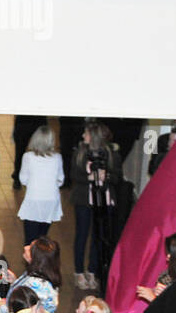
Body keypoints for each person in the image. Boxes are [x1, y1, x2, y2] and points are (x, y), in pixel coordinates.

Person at [71, 123, 122, 290]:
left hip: (105, 200)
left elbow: (117, 177)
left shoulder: (111, 153)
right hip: (84, 200)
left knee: (98, 236)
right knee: (82, 235)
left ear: (94, 135)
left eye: (86, 132)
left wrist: (105, 175)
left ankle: (92, 270)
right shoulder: (79, 153)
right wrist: (90, 178)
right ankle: (79, 271)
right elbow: (74, 175)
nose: (83, 135)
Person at [18, 125, 64, 244]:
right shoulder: (57, 157)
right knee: (42, 237)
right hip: (51, 201)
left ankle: (31, 261)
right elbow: (60, 179)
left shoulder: (28, 156)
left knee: (30, 240)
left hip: (34, 200)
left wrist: (34, 184)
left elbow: (23, 179)